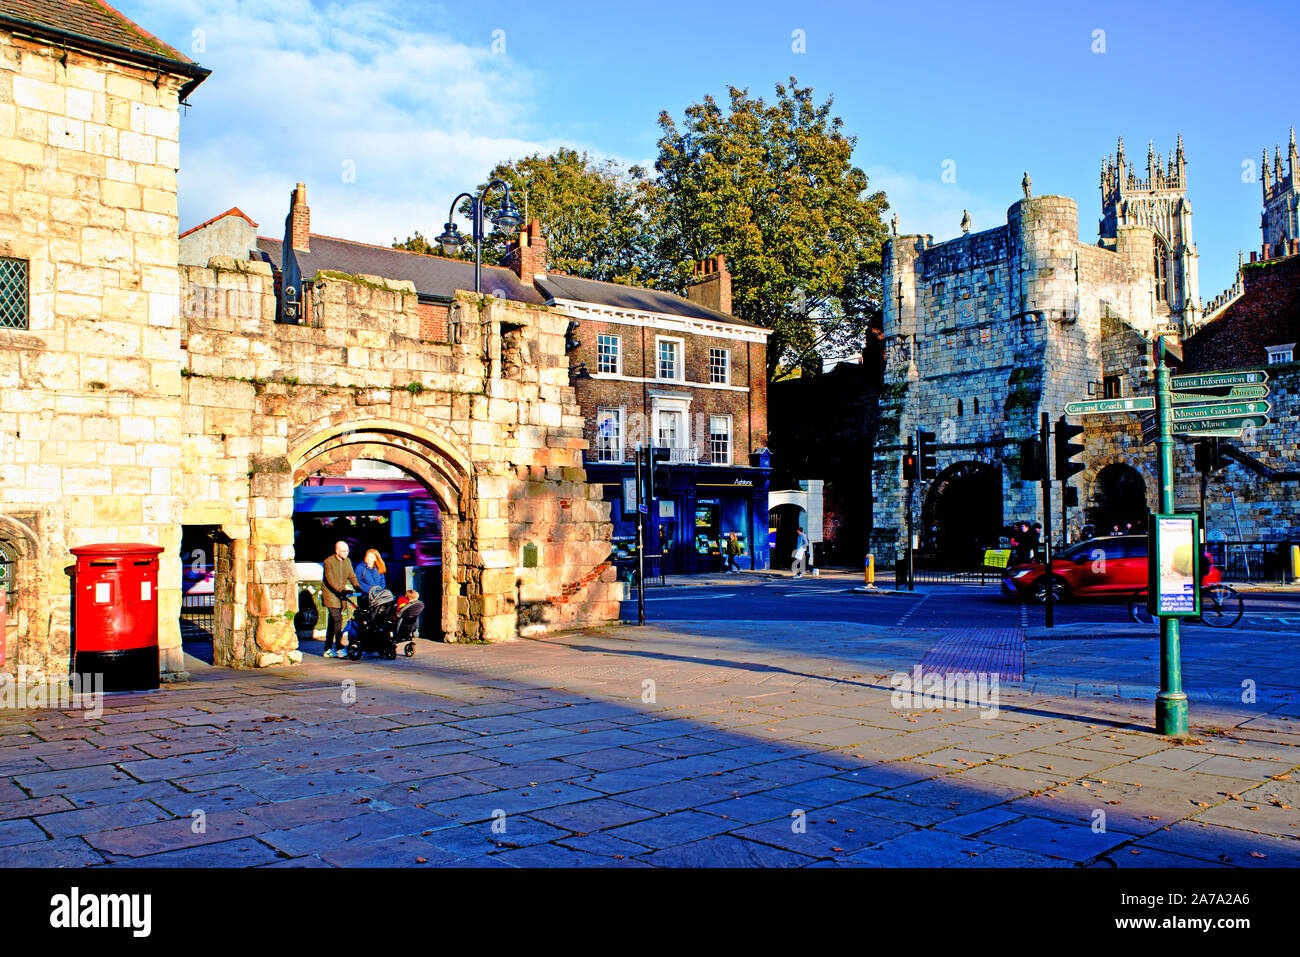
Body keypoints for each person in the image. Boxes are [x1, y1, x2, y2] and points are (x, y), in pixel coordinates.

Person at [321, 541, 361, 659]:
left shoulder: (347, 561)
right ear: (337, 551)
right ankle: (338, 647)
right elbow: (330, 580)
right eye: (343, 551)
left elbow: (351, 575)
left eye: (347, 551)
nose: (346, 553)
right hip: (330, 594)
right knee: (337, 619)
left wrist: (357, 586)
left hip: (340, 594)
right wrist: (341, 590)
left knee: (333, 622)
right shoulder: (328, 562)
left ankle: (327, 648)